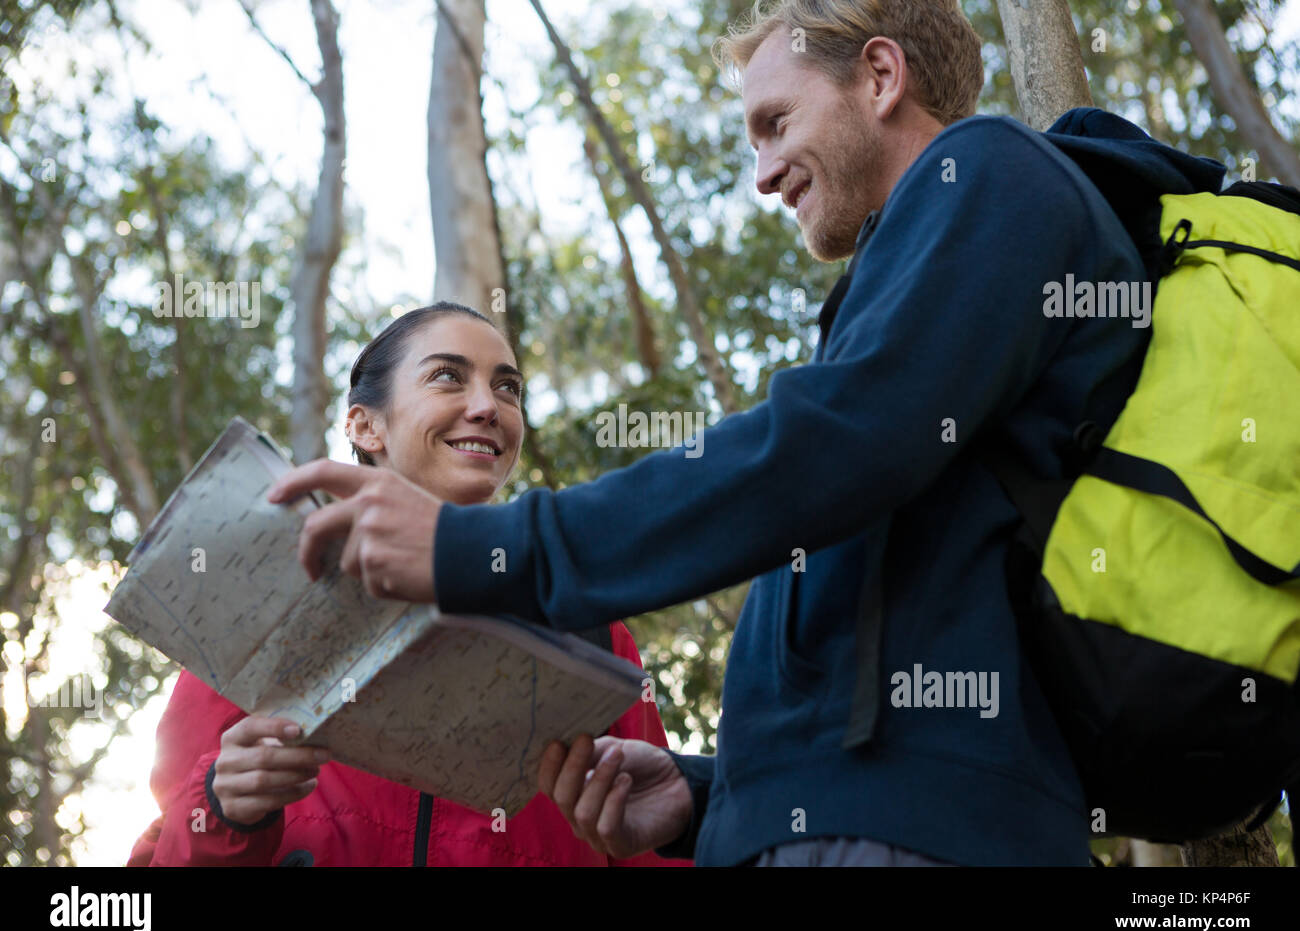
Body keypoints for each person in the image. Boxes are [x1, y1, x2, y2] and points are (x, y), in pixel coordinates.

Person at [267, 0, 1225, 866]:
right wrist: (704, 798)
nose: (763, 173)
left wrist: (493, 548)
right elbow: (889, 633)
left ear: (881, 78)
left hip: (912, 839)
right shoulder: (908, 275)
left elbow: (835, 442)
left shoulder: (984, 171)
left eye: (776, 123)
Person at [128, 302, 691, 866]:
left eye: (507, 388)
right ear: (365, 425)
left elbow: (650, 851)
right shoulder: (260, 601)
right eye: (448, 376)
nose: (486, 407)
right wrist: (223, 810)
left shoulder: (588, 628)